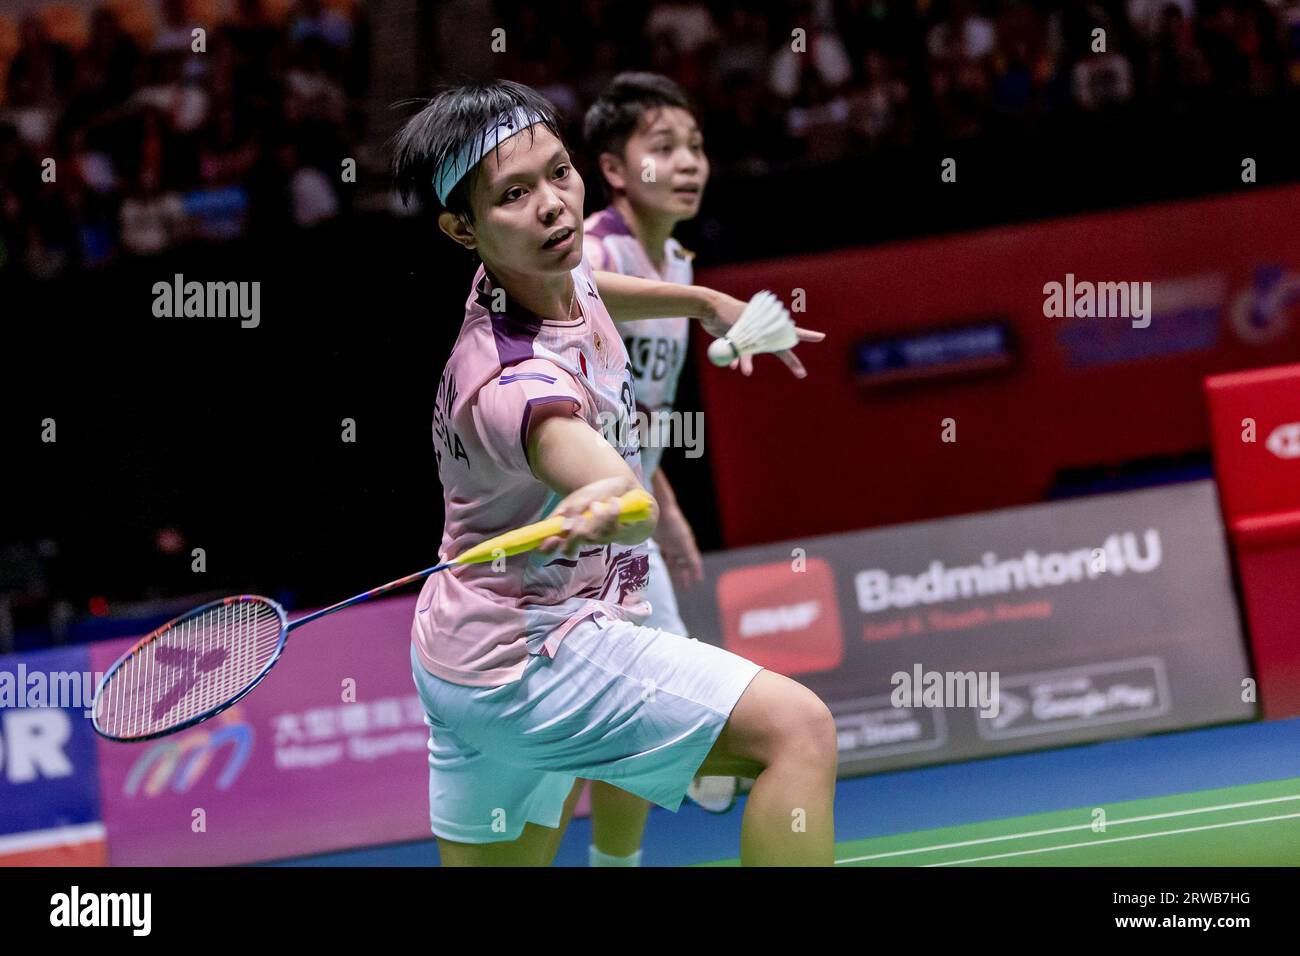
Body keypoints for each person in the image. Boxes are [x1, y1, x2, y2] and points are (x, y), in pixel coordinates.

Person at [393, 80, 836, 866]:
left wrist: (703, 303)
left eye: (558, 174)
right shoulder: (519, 387)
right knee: (798, 732)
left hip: (460, 660)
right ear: (461, 227)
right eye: (515, 195)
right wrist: (612, 501)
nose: (554, 207)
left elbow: (597, 291)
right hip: (537, 654)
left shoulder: (526, 279)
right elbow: (606, 484)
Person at [580, 71, 819, 867]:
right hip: (573, 526)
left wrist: (666, 502)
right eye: (665, 147)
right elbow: (562, 290)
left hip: (635, 516)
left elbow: (633, 412)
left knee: (630, 717)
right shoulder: (595, 247)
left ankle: (624, 853)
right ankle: (712, 764)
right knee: (645, 710)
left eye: (697, 146)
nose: (689, 163)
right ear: (616, 169)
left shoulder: (676, 263)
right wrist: (710, 304)